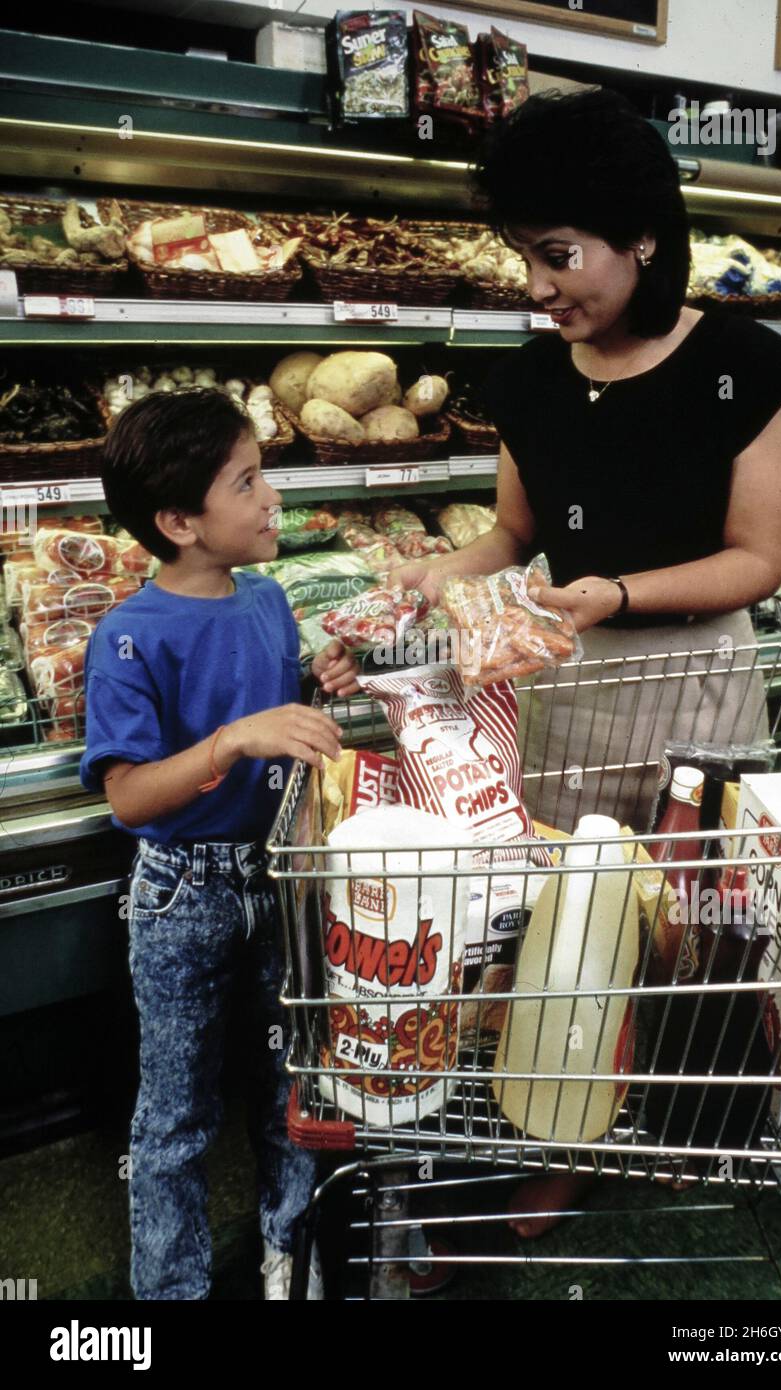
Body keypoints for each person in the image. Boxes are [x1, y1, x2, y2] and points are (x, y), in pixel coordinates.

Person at [390, 88, 781, 1236]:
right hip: (564, 685)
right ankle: (555, 1123)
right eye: (523, 257)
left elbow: (758, 559)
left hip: (691, 682)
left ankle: (650, 1124)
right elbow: (509, 536)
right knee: (563, 918)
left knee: (683, 920)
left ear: (641, 238)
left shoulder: (742, 364)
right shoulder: (530, 379)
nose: (536, 285)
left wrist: (618, 593)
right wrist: (435, 574)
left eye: (557, 255)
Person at [80, 387, 359, 1299]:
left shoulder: (271, 601)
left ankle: (294, 1253)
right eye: (247, 482)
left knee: (295, 1089)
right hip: (179, 891)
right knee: (175, 1114)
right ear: (179, 521)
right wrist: (233, 740)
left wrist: (315, 686)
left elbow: (282, 724)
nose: (271, 497)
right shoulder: (126, 636)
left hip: (279, 877)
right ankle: (169, 1290)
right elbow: (128, 797)